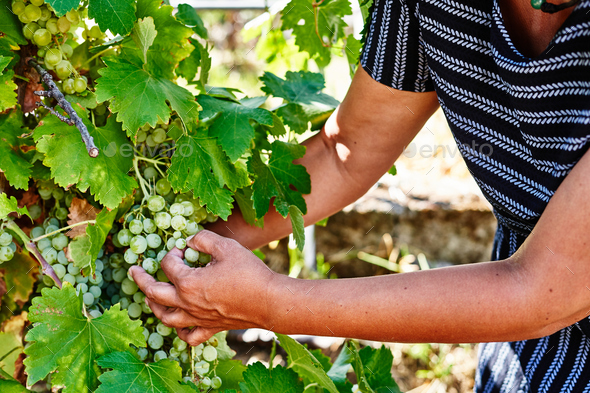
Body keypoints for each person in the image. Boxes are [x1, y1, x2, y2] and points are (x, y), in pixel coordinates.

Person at [130, 0, 590, 391]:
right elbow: (342, 153)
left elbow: (543, 288)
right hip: (527, 352)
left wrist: (274, 302)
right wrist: (172, 238)